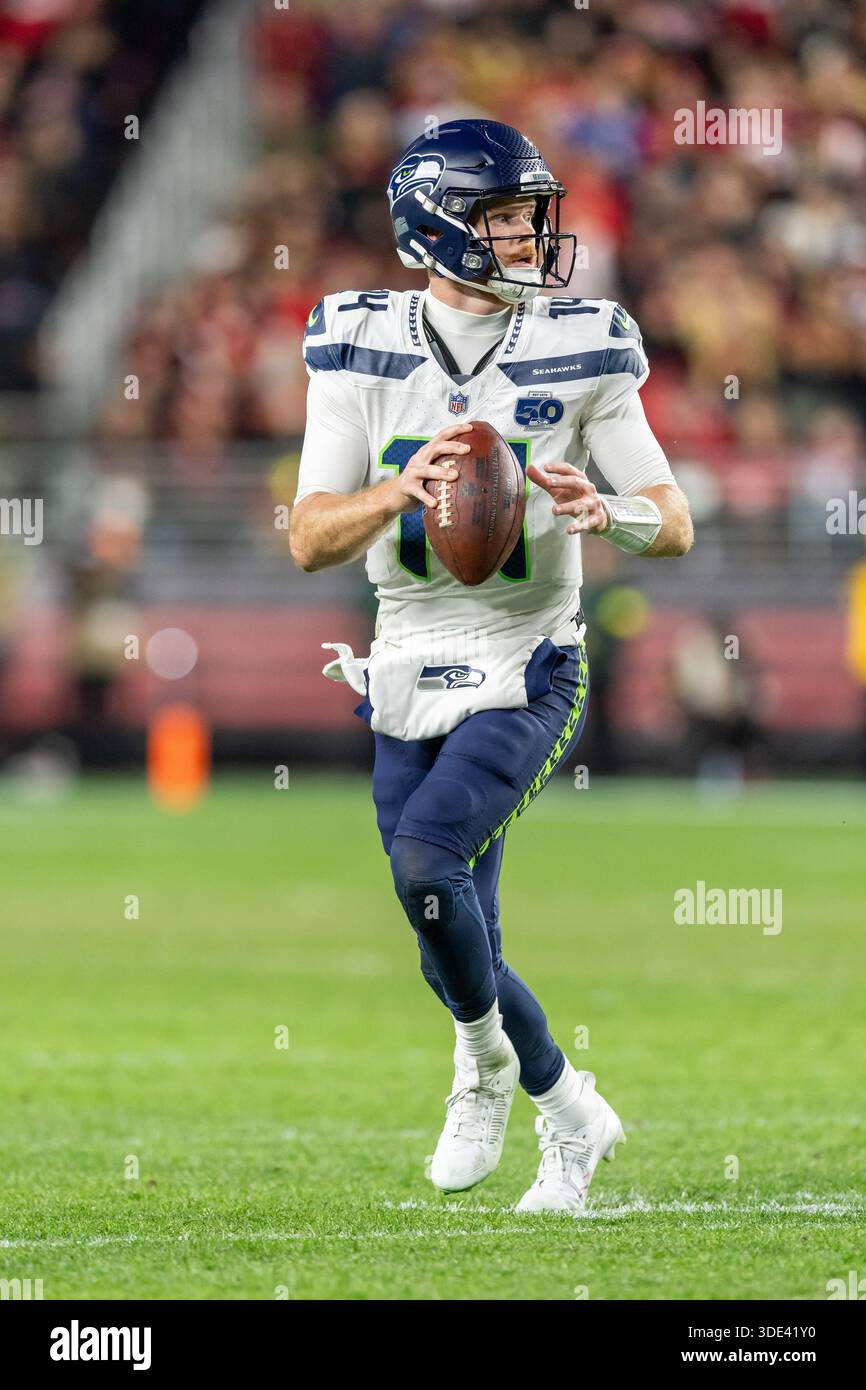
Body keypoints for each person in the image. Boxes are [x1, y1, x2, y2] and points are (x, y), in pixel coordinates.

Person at [290, 119, 693, 1213]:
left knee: (428, 861)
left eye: (529, 217)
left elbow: (673, 520)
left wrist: (600, 509)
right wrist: (396, 490)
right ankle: (568, 1113)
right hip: (404, 656)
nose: (528, 238)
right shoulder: (355, 339)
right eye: (504, 218)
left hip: (530, 656)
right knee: (444, 925)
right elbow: (310, 534)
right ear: (437, 225)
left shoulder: (587, 342)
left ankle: (484, 1069)